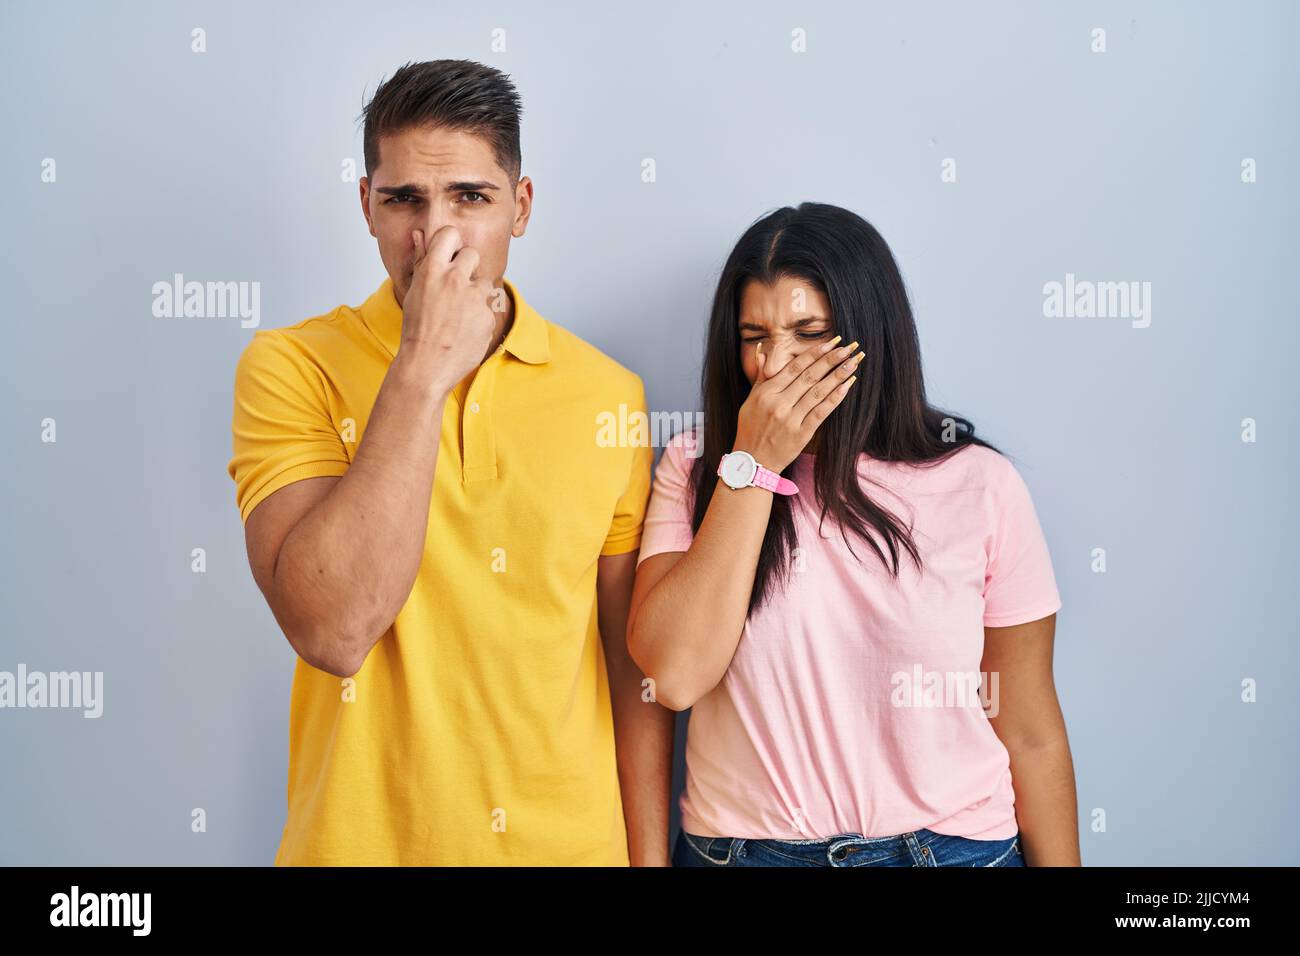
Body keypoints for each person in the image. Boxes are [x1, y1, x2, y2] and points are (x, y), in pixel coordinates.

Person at [227, 60, 672, 866]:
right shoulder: (290, 367)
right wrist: (422, 369)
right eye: (404, 199)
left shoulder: (609, 393)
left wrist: (648, 859)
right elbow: (333, 628)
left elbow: (625, 661)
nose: (435, 234)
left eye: (471, 196)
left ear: (522, 207)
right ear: (366, 206)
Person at [627, 202, 1080, 867]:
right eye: (755, 335)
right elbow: (673, 675)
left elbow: (1031, 727)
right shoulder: (696, 469)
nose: (775, 364)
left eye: (809, 331)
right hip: (746, 853)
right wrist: (752, 466)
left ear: (872, 333)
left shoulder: (980, 484)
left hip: (951, 851)